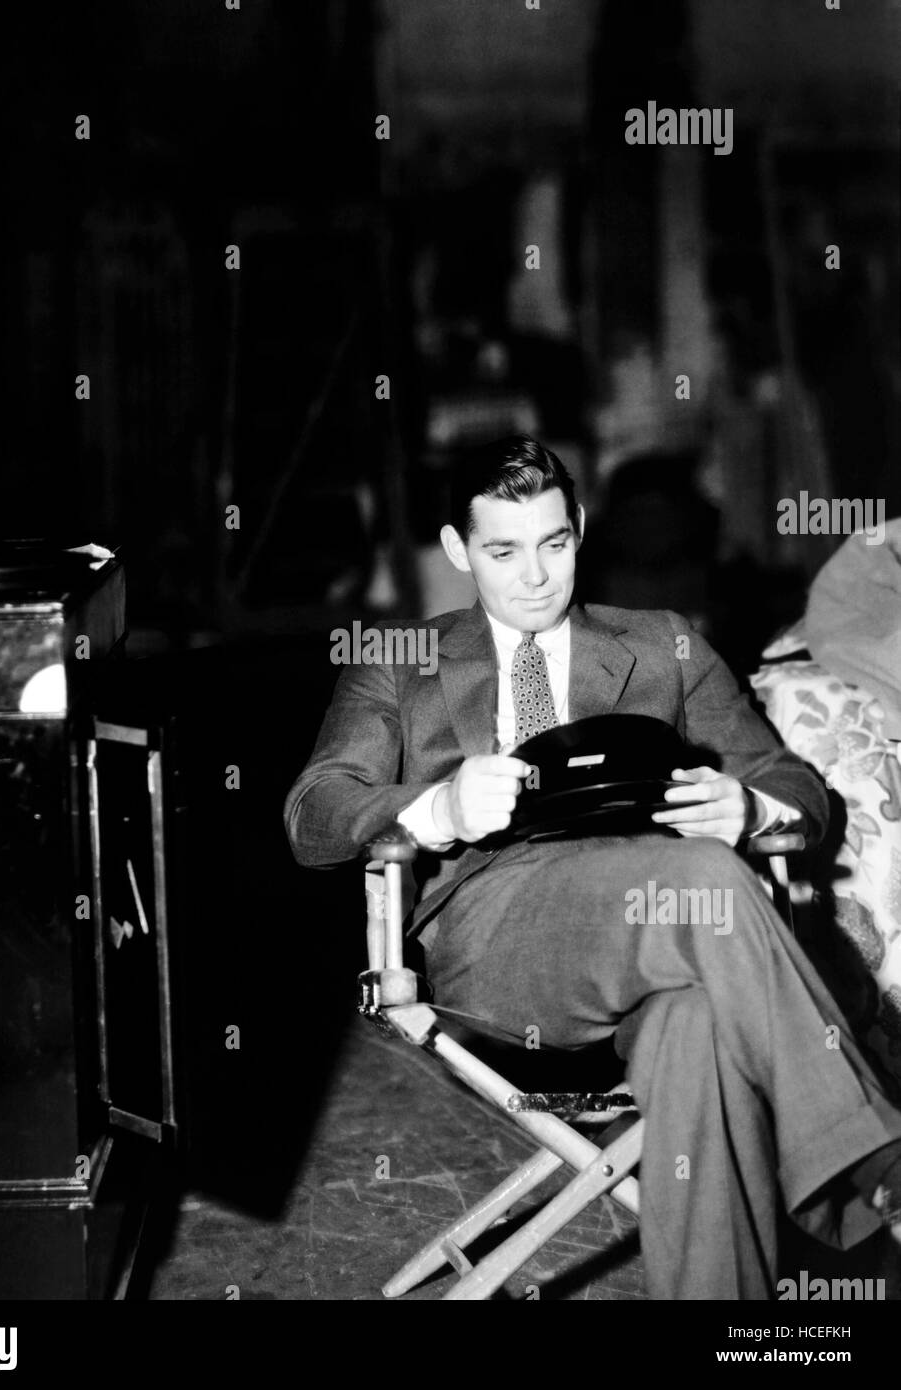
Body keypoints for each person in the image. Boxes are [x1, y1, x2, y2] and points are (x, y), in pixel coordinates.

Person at [284, 435, 901, 1299]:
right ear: (458, 551)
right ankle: (874, 1162)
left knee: (700, 1037)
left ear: (577, 527)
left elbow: (789, 781)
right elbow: (312, 813)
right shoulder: (398, 660)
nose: (535, 575)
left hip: (675, 933)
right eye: (502, 551)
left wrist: (750, 807)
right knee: (706, 883)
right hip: (497, 938)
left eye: (554, 543)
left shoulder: (661, 645)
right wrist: (438, 809)